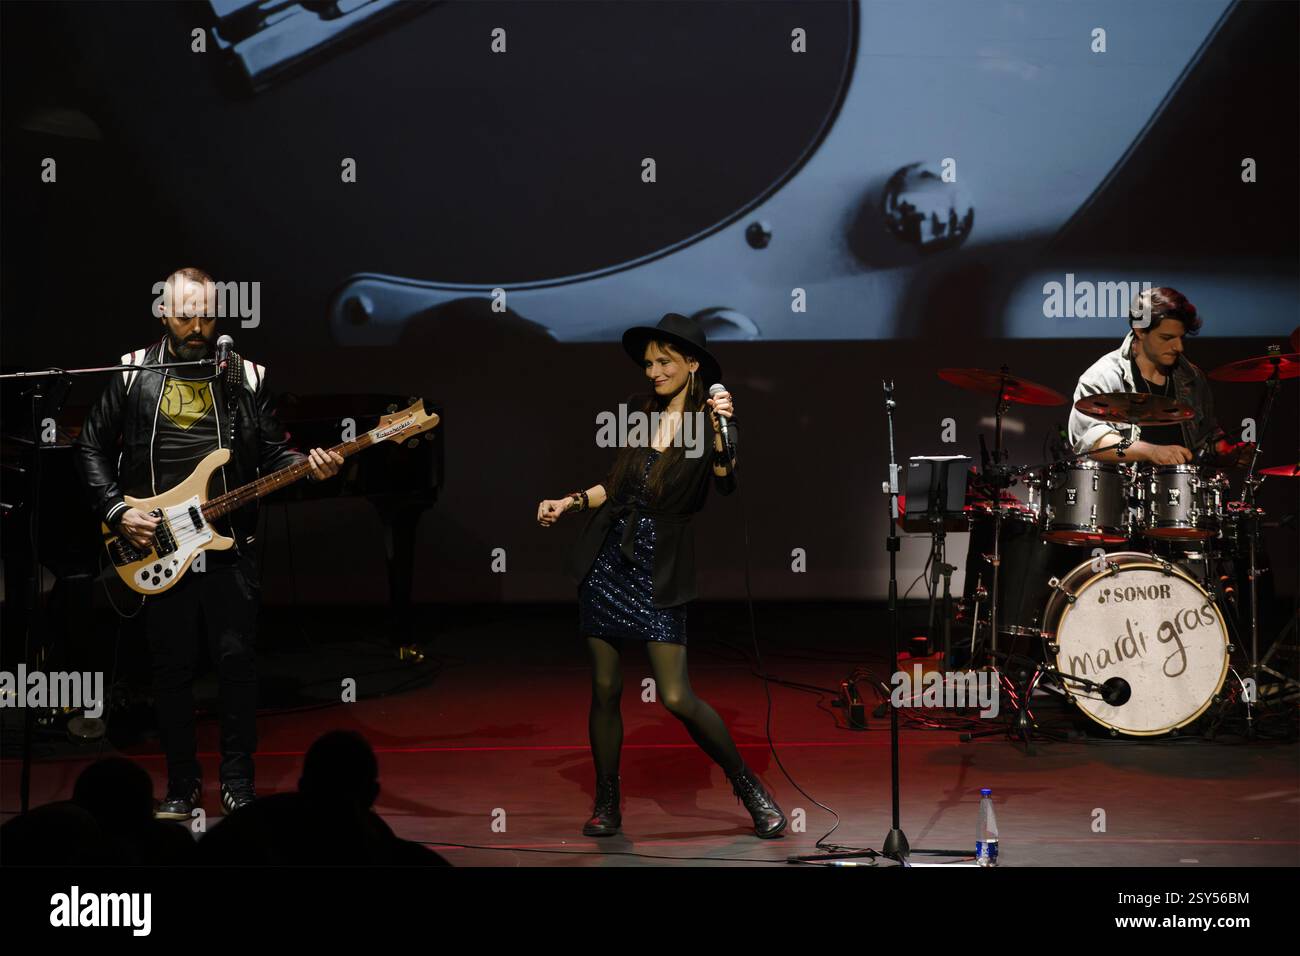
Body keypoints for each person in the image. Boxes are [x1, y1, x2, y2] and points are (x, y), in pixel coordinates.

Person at [74, 266, 345, 819]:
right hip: (157, 544)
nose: (197, 325)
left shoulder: (243, 375)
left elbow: (273, 451)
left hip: (228, 543)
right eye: (185, 313)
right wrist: (117, 510)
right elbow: (90, 448)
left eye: (206, 314)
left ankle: (238, 786)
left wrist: (306, 464)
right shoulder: (132, 374)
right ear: (163, 313)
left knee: (237, 666)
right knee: (170, 673)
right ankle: (181, 786)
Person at [536, 312, 786, 839]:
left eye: (664, 362)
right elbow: (618, 484)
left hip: (660, 561)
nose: (652, 371)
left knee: (675, 696)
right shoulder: (638, 412)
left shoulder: (708, 421)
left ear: (692, 363)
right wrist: (571, 501)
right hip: (608, 557)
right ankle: (608, 802)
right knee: (604, 687)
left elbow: (724, 481)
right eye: (648, 363)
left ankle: (749, 788)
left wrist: (722, 427)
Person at [1068, 286, 1252, 465]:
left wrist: (1227, 452)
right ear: (1140, 330)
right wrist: (1150, 452)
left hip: (1181, 493)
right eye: (1167, 338)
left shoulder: (1192, 377)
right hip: (1121, 493)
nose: (1179, 347)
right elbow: (1091, 442)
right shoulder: (1103, 376)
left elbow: (1205, 438)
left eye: (1182, 338)